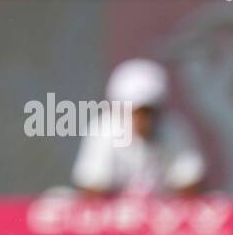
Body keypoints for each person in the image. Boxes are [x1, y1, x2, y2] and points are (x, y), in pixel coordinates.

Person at [71, 58, 206, 197]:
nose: (144, 120)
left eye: (149, 112)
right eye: (137, 112)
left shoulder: (175, 129)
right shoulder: (104, 129)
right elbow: (91, 190)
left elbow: (190, 187)